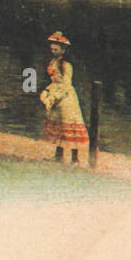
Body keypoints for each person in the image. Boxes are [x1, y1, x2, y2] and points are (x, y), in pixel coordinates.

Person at [39, 31, 90, 163]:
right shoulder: (53, 62)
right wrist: (46, 92)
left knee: (70, 125)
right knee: (59, 126)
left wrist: (55, 96)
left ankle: (75, 159)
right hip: (56, 94)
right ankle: (58, 156)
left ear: (63, 50)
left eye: (56, 49)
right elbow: (54, 81)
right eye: (52, 49)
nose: (53, 52)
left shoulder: (67, 65)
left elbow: (66, 84)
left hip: (66, 98)